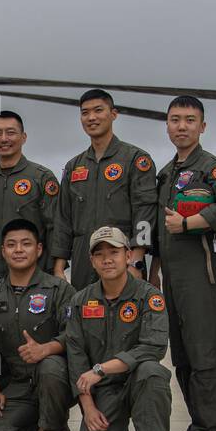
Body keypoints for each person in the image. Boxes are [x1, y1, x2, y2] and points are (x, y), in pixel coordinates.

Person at [148, 96, 216, 431]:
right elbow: (159, 229)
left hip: (201, 274)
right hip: (172, 275)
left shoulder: (212, 168)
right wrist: (155, 273)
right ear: (167, 125)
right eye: (175, 120)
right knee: (183, 354)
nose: (182, 126)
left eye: (190, 120)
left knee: (206, 352)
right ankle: (198, 425)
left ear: (202, 127)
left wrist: (190, 223)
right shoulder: (167, 172)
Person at [66, 226, 171, 431]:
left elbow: (153, 347)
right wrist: (88, 406)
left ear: (127, 256)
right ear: (92, 261)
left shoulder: (149, 297)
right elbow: (76, 356)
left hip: (136, 382)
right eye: (99, 254)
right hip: (105, 391)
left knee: (152, 372)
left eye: (114, 252)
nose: (107, 259)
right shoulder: (81, 301)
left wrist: (102, 369)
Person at [0, 219, 77, 431]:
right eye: (11, 245)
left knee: (50, 365)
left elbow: (74, 335)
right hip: (16, 387)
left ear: (39, 249)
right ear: (3, 251)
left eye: (26, 244)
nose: (18, 250)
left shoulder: (59, 290)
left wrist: (46, 349)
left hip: (56, 382)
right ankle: (39, 429)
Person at [56, 90, 158, 289]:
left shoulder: (135, 159)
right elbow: (63, 219)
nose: (91, 117)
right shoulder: (73, 167)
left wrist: (136, 261)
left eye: (98, 110)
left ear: (113, 114)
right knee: (84, 315)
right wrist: (59, 268)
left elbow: (145, 212)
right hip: (83, 261)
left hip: (122, 259)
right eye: (85, 113)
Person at [0, 111, 65, 291]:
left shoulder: (42, 178)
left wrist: (58, 268)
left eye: (11, 132)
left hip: (37, 277)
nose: (4, 138)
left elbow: (57, 227)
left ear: (23, 137)